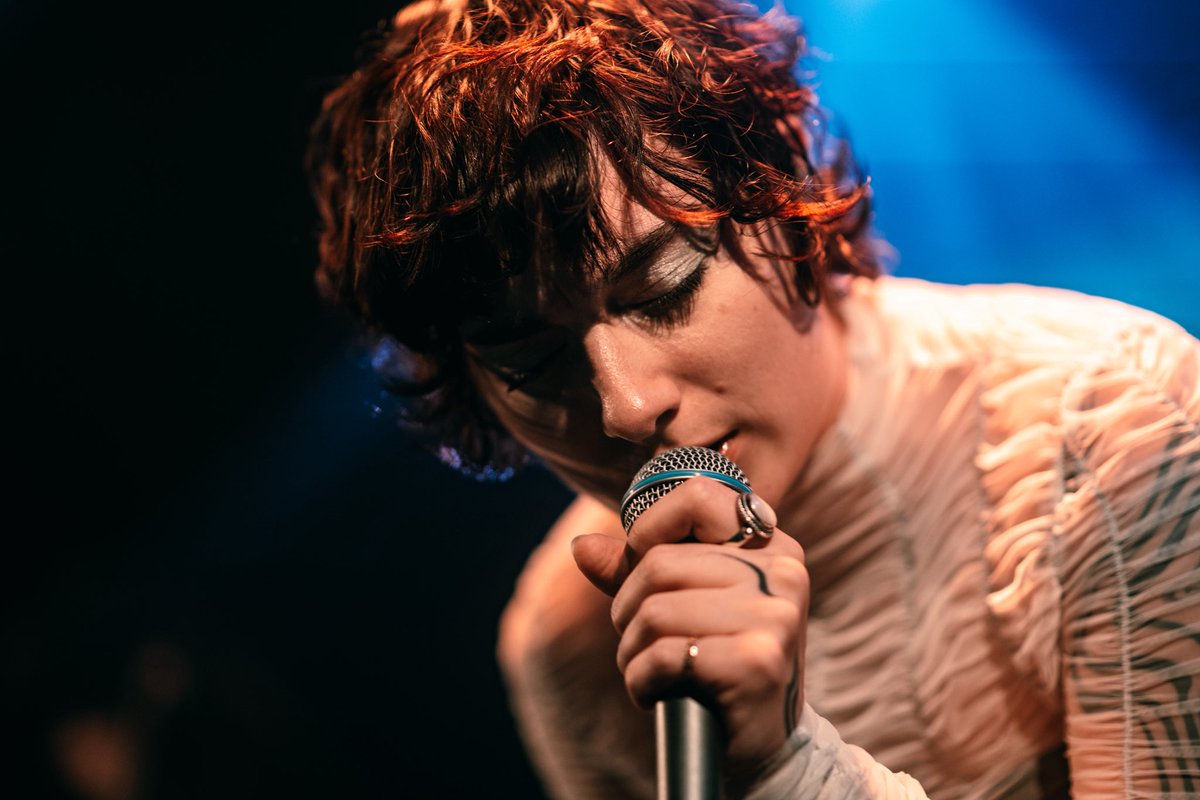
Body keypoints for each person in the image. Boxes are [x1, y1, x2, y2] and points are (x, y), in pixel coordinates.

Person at [306, 0, 1200, 796]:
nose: (626, 405)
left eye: (663, 287)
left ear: (779, 193)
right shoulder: (568, 649)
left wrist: (787, 772)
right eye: (533, 364)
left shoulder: (1114, 423)